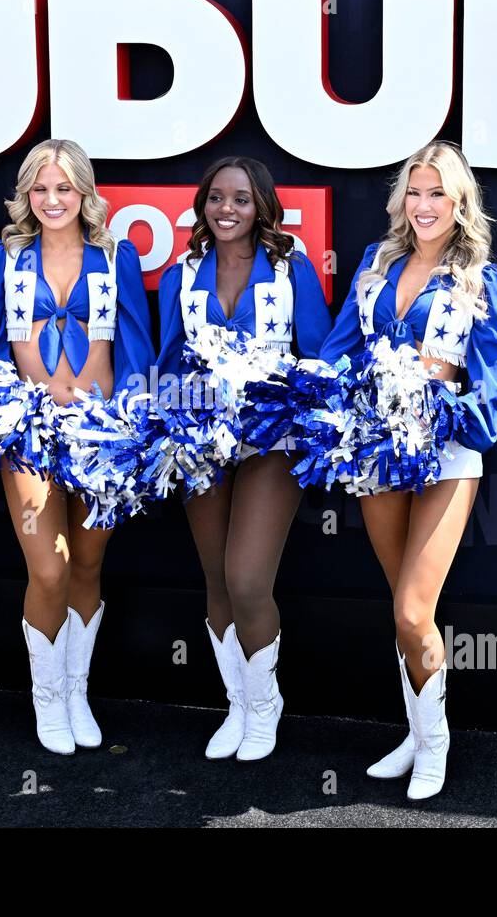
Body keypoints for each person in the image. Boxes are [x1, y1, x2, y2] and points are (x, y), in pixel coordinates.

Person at [316, 140, 497, 798]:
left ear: (460, 203)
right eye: (415, 192)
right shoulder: (376, 264)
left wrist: (459, 415)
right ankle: (415, 731)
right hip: (377, 448)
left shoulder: (478, 276)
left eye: (438, 193)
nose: (424, 205)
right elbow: (340, 347)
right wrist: (324, 395)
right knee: (401, 604)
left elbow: (496, 368)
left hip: (446, 451)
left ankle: (436, 745)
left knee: (411, 610)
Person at [0, 138, 154, 754]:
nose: (52, 200)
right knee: (49, 568)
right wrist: (4, 406)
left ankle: (77, 692)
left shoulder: (116, 255)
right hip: (28, 429)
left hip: (102, 431)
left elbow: (136, 346)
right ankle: (46, 699)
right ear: (26, 195)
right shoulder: (5, 256)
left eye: (64, 188)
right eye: (41, 189)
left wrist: (127, 420)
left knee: (88, 565)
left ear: (84, 193)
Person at [155, 157, 332, 761]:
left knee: (248, 579)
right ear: (203, 204)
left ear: (262, 208)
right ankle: (237, 702)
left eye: (241, 199)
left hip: (271, 440)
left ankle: (265, 706)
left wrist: (295, 406)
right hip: (201, 440)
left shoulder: (290, 268)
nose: (226, 209)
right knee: (215, 577)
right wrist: (174, 414)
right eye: (216, 198)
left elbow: (318, 354)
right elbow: (169, 360)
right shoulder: (183, 273)